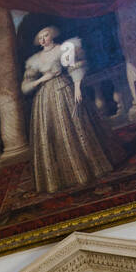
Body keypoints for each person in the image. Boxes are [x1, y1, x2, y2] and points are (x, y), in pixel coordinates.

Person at [19, 25, 122, 194]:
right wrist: (41, 80)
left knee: (78, 126)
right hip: (44, 97)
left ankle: (90, 167)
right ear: (38, 41)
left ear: (51, 35)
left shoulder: (63, 48)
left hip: (65, 89)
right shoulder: (35, 60)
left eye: (46, 35)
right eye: (41, 37)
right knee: (52, 132)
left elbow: (75, 66)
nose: (44, 39)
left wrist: (77, 86)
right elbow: (25, 86)